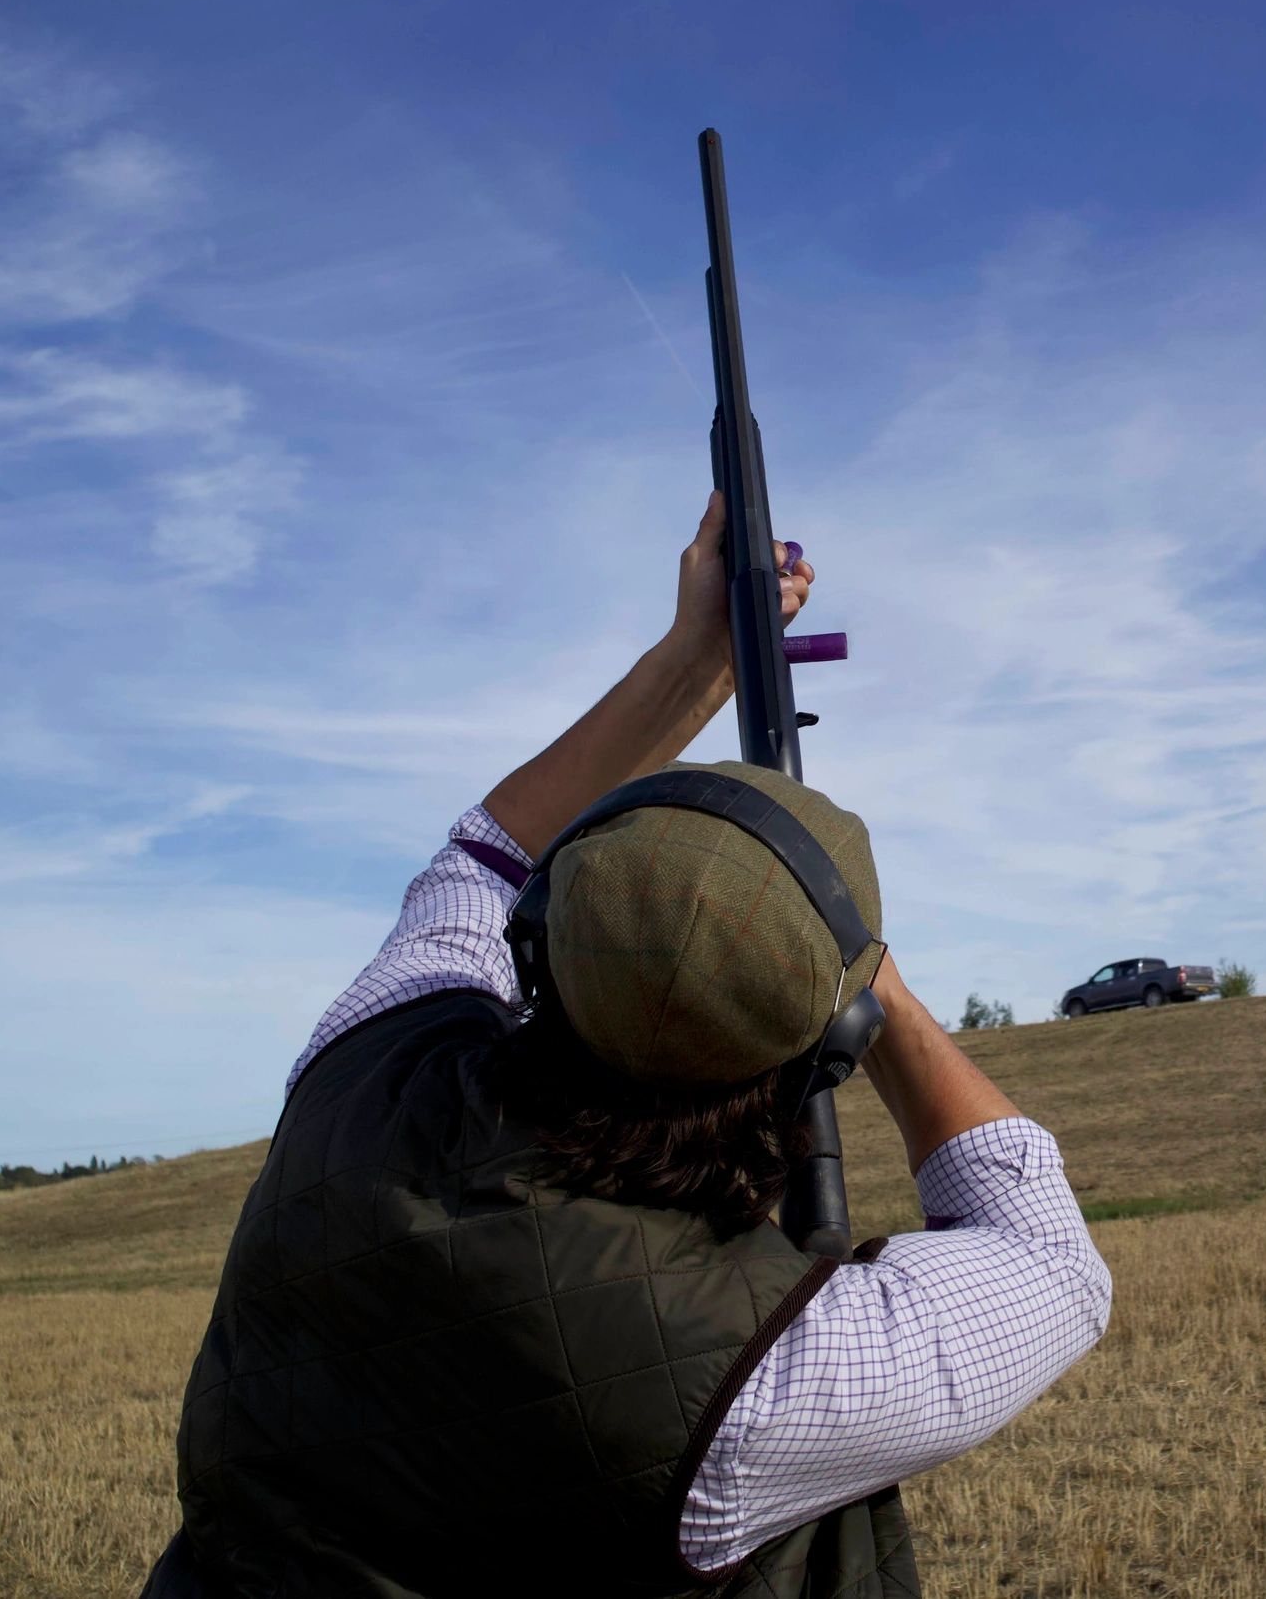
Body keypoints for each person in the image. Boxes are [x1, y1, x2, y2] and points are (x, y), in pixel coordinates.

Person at [142, 496, 1111, 1598]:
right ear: (830, 1041)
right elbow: (1048, 1260)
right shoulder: (761, 1385)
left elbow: (484, 852)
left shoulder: (362, 1067)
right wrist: (855, 956)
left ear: (544, 936)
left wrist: (694, 657)